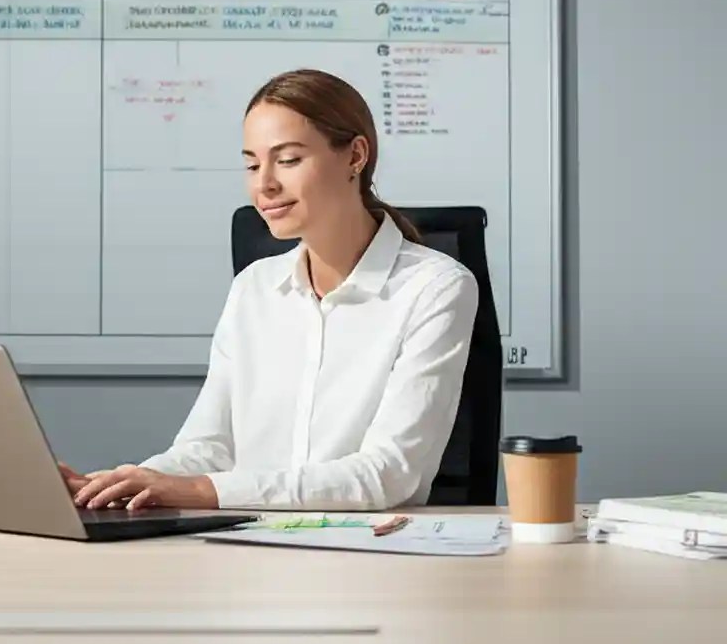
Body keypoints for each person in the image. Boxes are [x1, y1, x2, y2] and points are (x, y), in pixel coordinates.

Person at [62, 68, 479, 512]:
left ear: (355, 156)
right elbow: (207, 449)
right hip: (249, 551)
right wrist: (113, 486)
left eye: (288, 160)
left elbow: (388, 473)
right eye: (252, 164)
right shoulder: (254, 289)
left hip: (371, 559)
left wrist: (202, 491)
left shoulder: (435, 288)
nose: (264, 185)